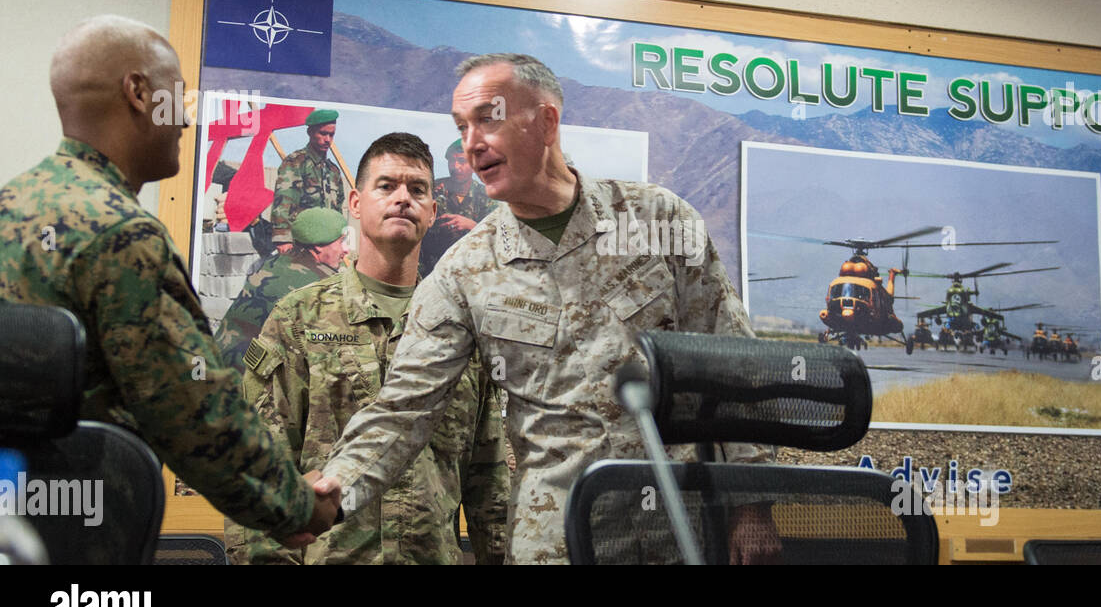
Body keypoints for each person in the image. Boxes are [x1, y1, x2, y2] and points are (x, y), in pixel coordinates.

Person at [316, 53, 772, 563]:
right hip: (556, 538)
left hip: (682, 529)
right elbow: (404, 408)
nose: (471, 142)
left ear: (546, 122)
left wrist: (752, 509)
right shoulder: (464, 271)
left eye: (488, 118)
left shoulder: (657, 219)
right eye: (462, 127)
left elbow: (732, 365)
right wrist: (334, 490)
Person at [0, 15, 337, 547]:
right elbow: (195, 410)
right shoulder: (120, 234)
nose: (185, 120)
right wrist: (295, 506)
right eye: (178, 97)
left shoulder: (12, 204)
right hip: (74, 539)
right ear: (138, 92)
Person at [225, 132, 509, 564]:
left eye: (417, 189)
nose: (402, 198)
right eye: (386, 185)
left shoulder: (460, 331)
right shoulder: (299, 318)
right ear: (355, 204)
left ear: (433, 212)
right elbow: (262, 466)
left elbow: (489, 483)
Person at [214, 207, 349, 374]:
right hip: (250, 383)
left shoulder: (272, 263)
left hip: (216, 364)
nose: (346, 250)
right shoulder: (321, 288)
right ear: (319, 246)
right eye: (341, 241)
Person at [270, 108, 347, 253]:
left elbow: (338, 210)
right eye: (323, 133)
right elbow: (284, 202)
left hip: (328, 246)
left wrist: (340, 239)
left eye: (331, 134)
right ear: (310, 132)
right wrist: (283, 239)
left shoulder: (333, 171)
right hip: (301, 245)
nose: (327, 139)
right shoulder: (296, 162)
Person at [418, 139, 494, 276]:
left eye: (462, 161)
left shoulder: (486, 197)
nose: (455, 166)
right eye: (451, 161)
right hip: (430, 274)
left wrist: (473, 227)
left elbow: (500, 240)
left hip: (471, 277)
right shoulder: (431, 191)